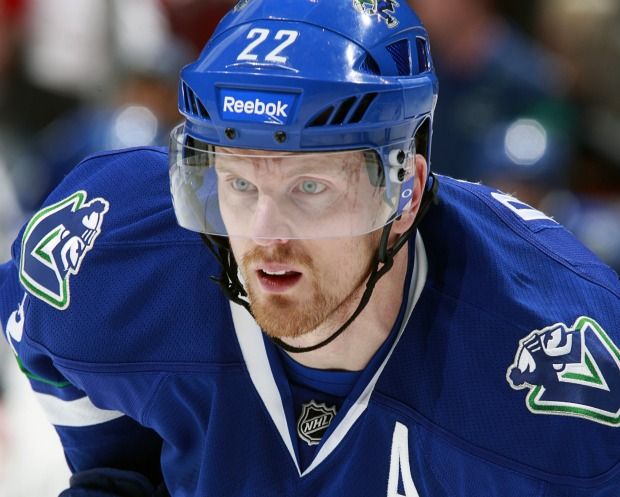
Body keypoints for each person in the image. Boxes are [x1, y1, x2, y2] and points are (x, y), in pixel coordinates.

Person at [0, 1, 618, 496]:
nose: (267, 235)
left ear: (405, 193)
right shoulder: (113, 252)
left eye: (310, 188)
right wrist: (120, 473)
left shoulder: (560, 369)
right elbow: (44, 333)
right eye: (240, 184)